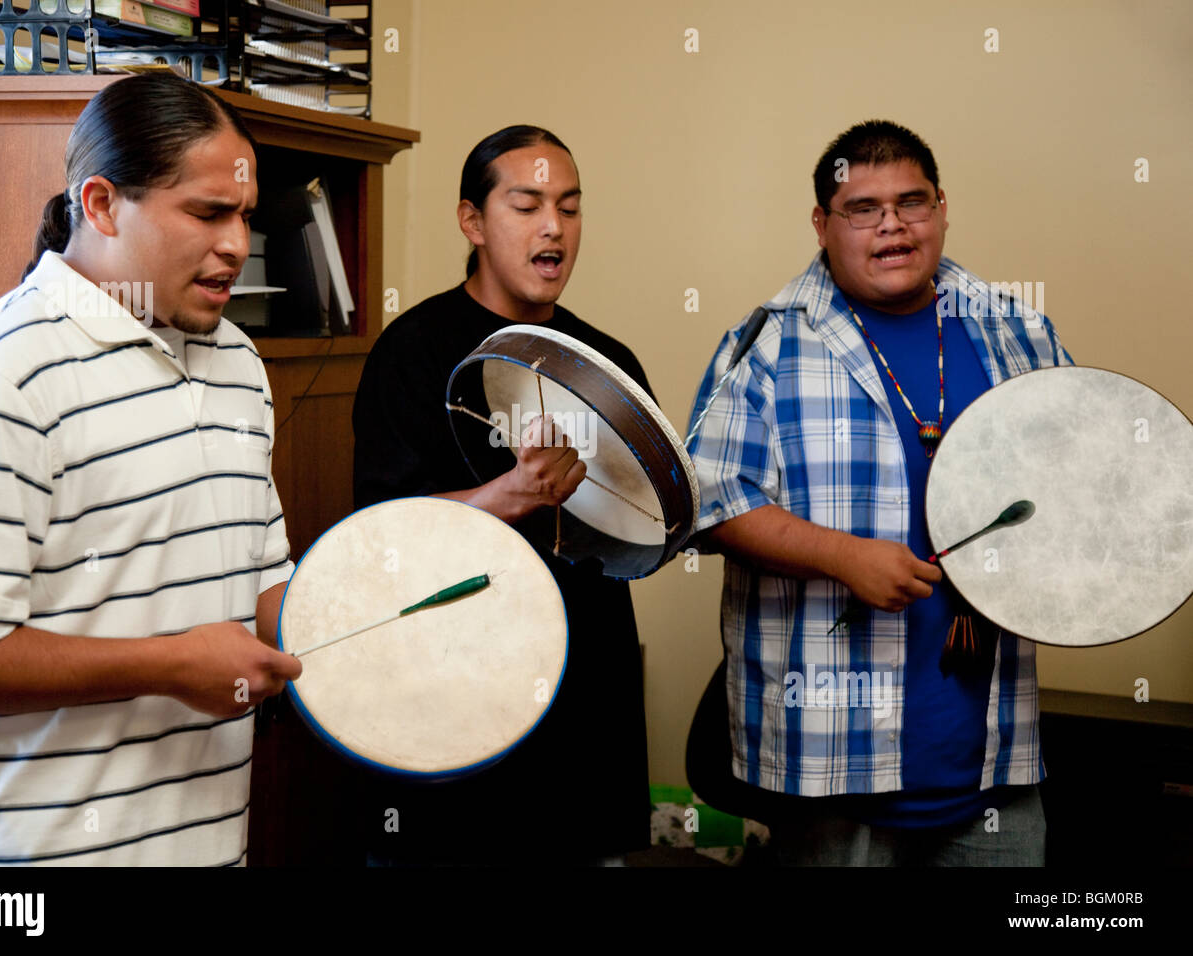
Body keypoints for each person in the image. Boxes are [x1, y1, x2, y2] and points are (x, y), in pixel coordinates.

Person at [0, 72, 301, 866]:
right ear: (103, 204)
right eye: (208, 213)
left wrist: (383, 626)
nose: (236, 244)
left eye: (246, 216)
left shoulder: (239, 365)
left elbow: (257, 582)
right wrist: (168, 667)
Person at [685, 120, 1073, 866]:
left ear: (942, 208)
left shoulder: (1015, 330)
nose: (892, 225)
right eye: (863, 209)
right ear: (822, 224)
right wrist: (843, 558)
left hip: (993, 756)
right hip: (834, 763)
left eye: (911, 202)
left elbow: (1077, 474)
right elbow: (711, 502)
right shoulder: (765, 344)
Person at [351, 125, 651, 864]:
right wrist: (513, 493)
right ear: (472, 221)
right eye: (527, 206)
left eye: (570, 208)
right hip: (452, 691)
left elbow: (643, 527)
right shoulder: (412, 352)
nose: (555, 227)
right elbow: (380, 537)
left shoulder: (606, 364)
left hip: (583, 698)